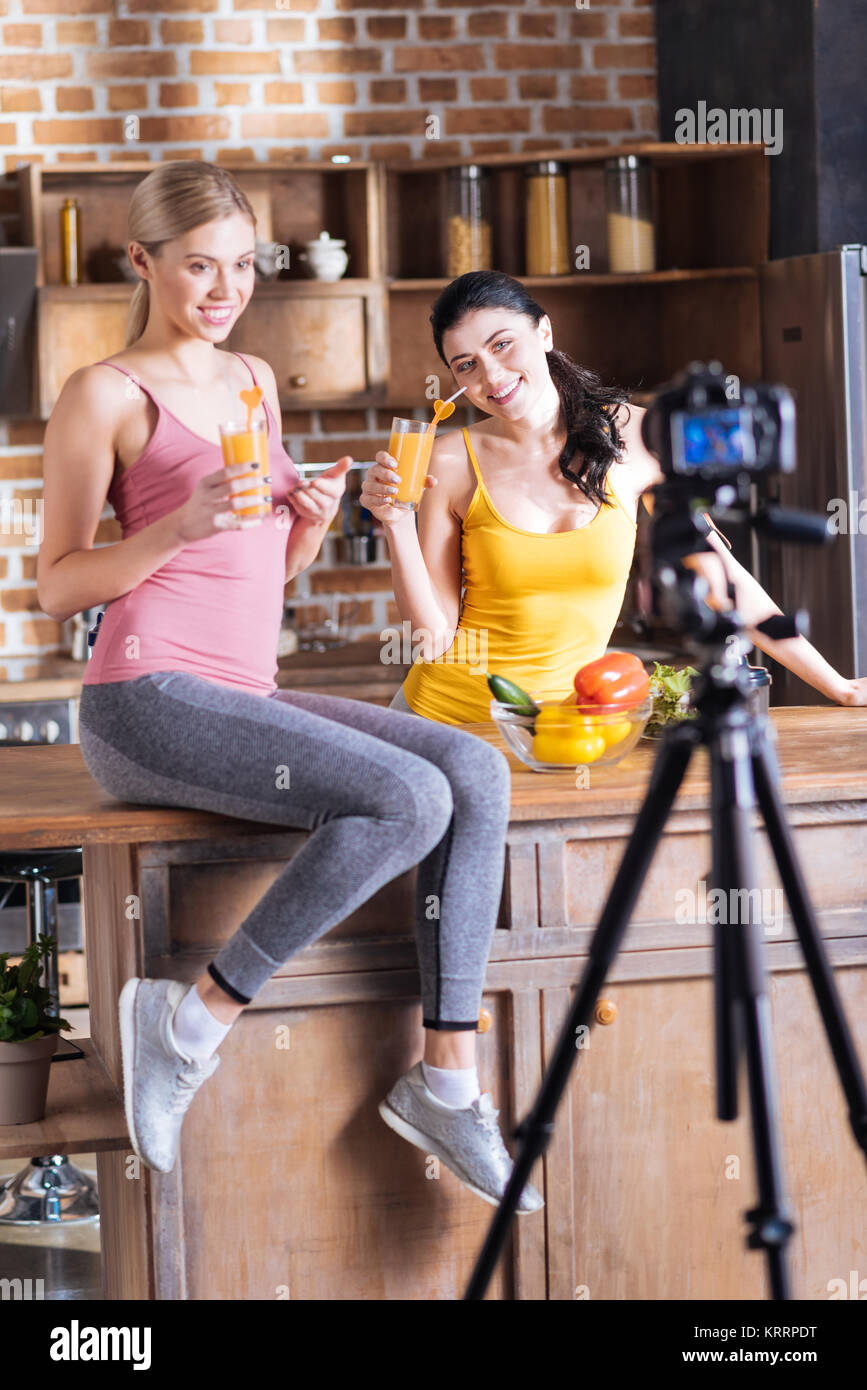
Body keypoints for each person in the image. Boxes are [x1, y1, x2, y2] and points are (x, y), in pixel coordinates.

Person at [36, 163, 543, 1214]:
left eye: (241, 266)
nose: (224, 290)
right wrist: (174, 526)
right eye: (198, 267)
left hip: (242, 691)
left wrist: (305, 522)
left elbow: (262, 569)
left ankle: (446, 1077)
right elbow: (54, 586)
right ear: (142, 262)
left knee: (474, 771)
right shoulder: (105, 392)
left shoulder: (256, 380)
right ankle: (187, 1023)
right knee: (408, 797)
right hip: (144, 700)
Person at [360, 271, 867, 723]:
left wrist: (836, 686)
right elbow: (433, 637)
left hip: (564, 727)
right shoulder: (447, 461)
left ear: (545, 332)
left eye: (502, 345)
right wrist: (395, 521)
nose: (491, 376)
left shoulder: (637, 438)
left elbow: (724, 582)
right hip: (445, 721)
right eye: (466, 364)